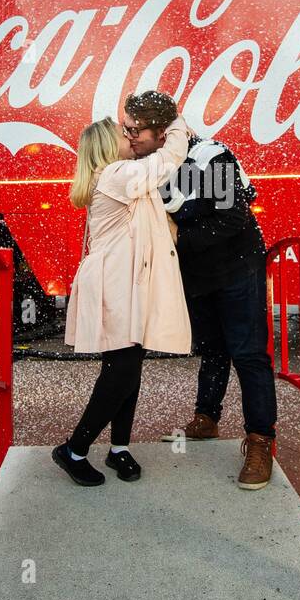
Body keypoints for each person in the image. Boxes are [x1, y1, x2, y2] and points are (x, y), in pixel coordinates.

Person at [121, 91, 277, 491]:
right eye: (128, 128)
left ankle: (260, 441)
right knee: (211, 347)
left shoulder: (212, 156)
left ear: (162, 131)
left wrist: (173, 240)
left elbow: (230, 219)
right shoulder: (149, 163)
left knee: (248, 354)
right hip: (196, 272)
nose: (130, 136)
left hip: (236, 267)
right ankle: (206, 418)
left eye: (135, 130)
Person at [55, 109, 194, 486]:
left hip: (121, 283)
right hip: (114, 285)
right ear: (106, 147)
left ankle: (119, 448)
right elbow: (167, 160)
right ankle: (75, 449)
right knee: (123, 369)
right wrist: (176, 123)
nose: (131, 138)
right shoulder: (116, 175)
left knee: (128, 366)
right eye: (123, 135)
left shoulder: (119, 178)